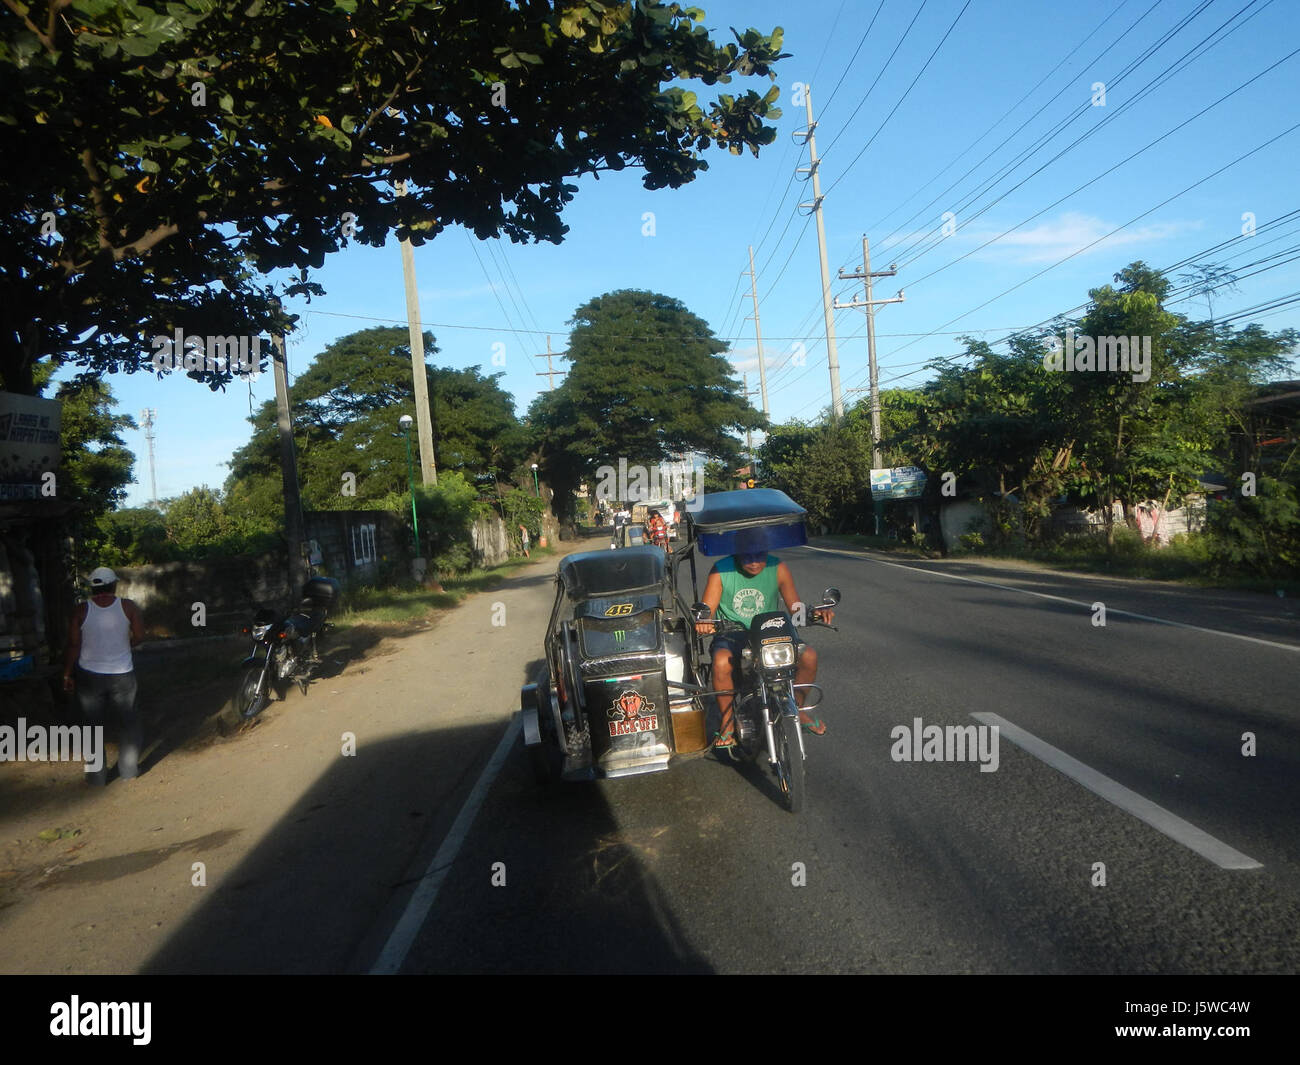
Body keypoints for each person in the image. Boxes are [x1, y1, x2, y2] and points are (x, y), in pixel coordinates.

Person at [693, 538, 833, 751]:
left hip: (771, 631)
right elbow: (708, 611)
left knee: (809, 656)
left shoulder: (778, 567)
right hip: (733, 633)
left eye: (759, 555)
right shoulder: (720, 570)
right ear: (736, 552)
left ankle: (798, 708)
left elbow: (795, 608)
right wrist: (704, 622)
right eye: (747, 555)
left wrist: (814, 613)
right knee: (721, 661)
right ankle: (728, 721)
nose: (754, 562)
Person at [62, 567, 146, 785]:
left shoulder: (81, 611)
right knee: (129, 723)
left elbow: (73, 644)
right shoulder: (128, 607)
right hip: (122, 674)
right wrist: (123, 646)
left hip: (89, 676)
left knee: (91, 726)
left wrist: (67, 674)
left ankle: (97, 777)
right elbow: (139, 636)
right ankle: (128, 771)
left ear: (93, 587)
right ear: (114, 585)